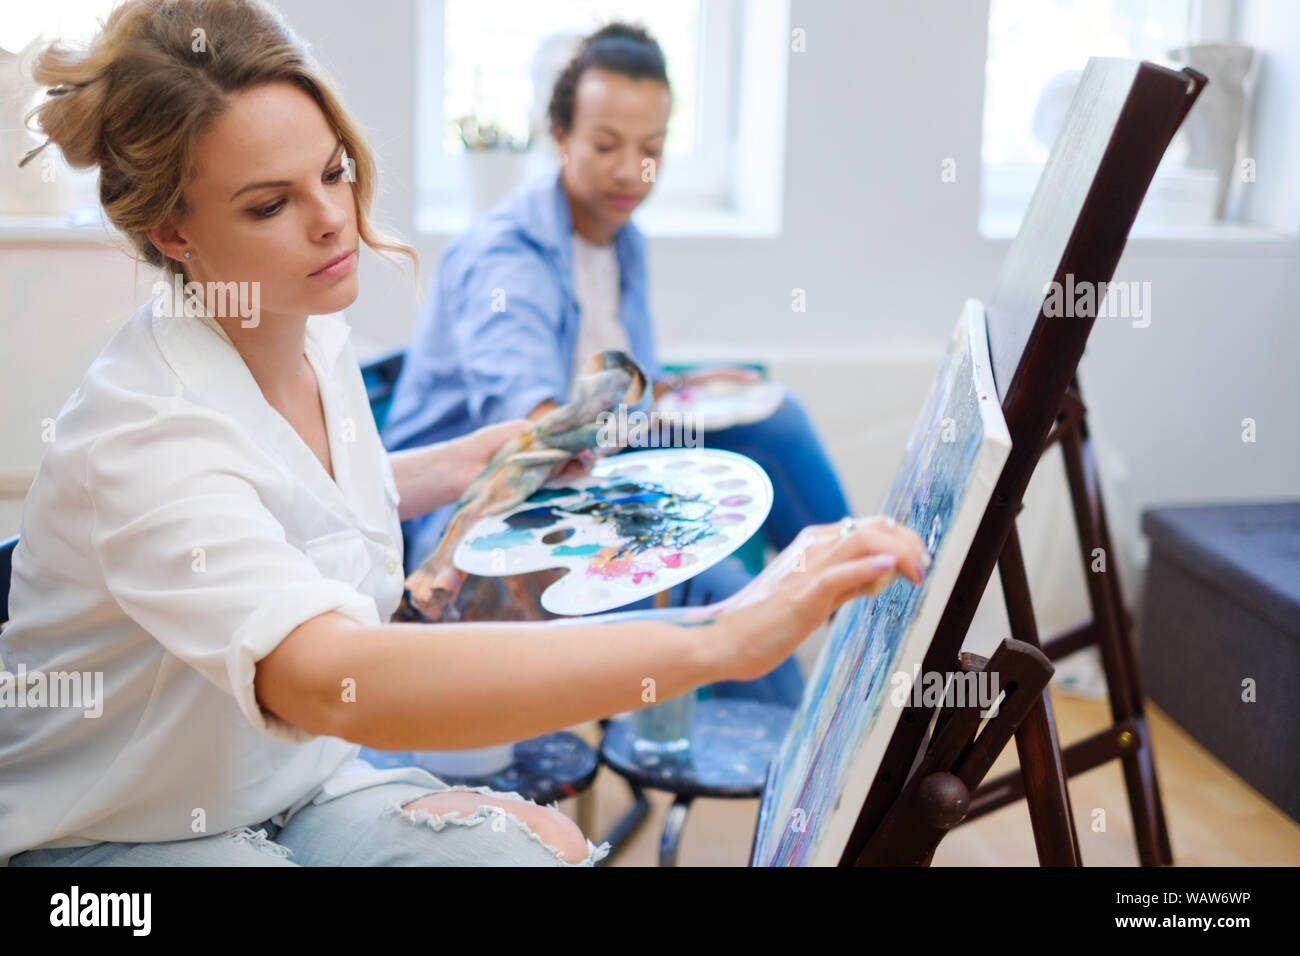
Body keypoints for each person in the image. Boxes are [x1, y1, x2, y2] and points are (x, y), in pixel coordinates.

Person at [0, 0, 927, 868]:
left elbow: (297, 495)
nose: (334, 222)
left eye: (334, 171)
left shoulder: (305, 332)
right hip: (123, 835)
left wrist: (462, 462)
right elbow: (325, 679)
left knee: (543, 850)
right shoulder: (147, 434)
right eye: (270, 205)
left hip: (290, 783)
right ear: (172, 232)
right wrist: (723, 637)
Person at [382, 24, 853, 704]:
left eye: (651, 149)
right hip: (480, 509)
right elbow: (530, 423)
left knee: (773, 420)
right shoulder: (505, 257)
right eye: (605, 145)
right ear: (560, 135)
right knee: (719, 596)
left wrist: (689, 395)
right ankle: (797, 776)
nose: (631, 171)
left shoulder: (621, 241)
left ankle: (871, 616)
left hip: (588, 463)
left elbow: (627, 394)